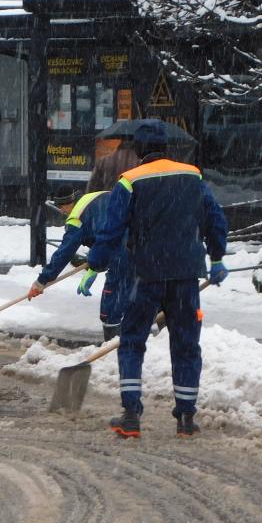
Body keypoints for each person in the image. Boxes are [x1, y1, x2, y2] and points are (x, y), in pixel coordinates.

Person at [86, 120, 229, 439]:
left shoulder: (130, 181)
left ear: (138, 151)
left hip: (146, 274)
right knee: (186, 344)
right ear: (166, 148)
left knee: (133, 341)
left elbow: (111, 230)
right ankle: (186, 418)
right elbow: (215, 219)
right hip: (186, 275)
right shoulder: (192, 175)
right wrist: (217, 257)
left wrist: (95, 263)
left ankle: (131, 415)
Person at [28, 184, 133, 341]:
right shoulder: (100, 195)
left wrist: (41, 281)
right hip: (143, 245)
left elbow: (64, 253)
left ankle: (114, 350)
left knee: (110, 309)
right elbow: (106, 230)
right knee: (142, 295)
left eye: (63, 206)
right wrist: (95, 265)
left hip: (122, 254)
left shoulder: (77, 219)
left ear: (70, 202)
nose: (62, 211)